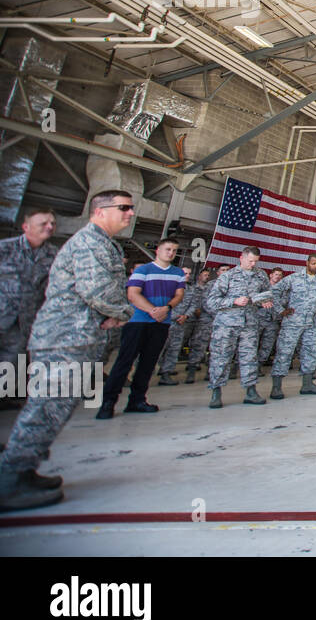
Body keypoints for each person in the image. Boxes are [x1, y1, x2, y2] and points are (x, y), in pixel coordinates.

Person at [0, 190, 135, 510]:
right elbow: (98, 291)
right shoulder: (90, 243)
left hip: (76, 337)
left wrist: (113, 316)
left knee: (55, 406)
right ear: (100, 211)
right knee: (47, 406)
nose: (130, 214)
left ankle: (24, 467)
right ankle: (9, 477)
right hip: (65, 338)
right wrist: (123, 313)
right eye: (124, 208)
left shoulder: (104, 243)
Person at [97, 237, 186, 419]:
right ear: (158, 251)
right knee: (124, 362)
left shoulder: (178, 273)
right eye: (168, 249)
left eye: (174, 250)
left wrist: (167, 308)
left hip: (161, 323)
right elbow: (133, 294)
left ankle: (137, 400)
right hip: (137, 322)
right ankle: (108, 403)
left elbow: (179, 295)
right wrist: (152, 310)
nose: (171, 253)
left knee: (148, 364)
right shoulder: (143, 270)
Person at [0, 205, 57, 409]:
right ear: (26, 226)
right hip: (3, 314)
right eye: (44, 223)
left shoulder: (52, 255)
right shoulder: (5, 249)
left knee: (13, 359)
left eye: (52, 223)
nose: (49, 227)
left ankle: (7, 396)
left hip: (26, 319)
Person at [204, 247, 274, 407]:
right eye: (250, 261)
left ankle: (250, 391)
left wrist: (263, 300)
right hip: (226, 324)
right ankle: (216, 392)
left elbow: (267, 294)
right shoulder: (228, 276)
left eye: (256, 261)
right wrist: (233, 301)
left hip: (249, 324)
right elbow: (212, 301)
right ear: (241, 258)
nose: (253, 264)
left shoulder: (261, 275)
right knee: (221, 357)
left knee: (249, 357)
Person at [269, 253, 316, 398]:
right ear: (307, 263)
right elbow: (274, 291)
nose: (315, 266)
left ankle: (307, 384)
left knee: (310, 352)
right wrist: (281, 310)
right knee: (284, 352)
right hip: (292, 322)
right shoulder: (293, 278)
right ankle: (276, 387)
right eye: (313, 263)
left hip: (312, 323)